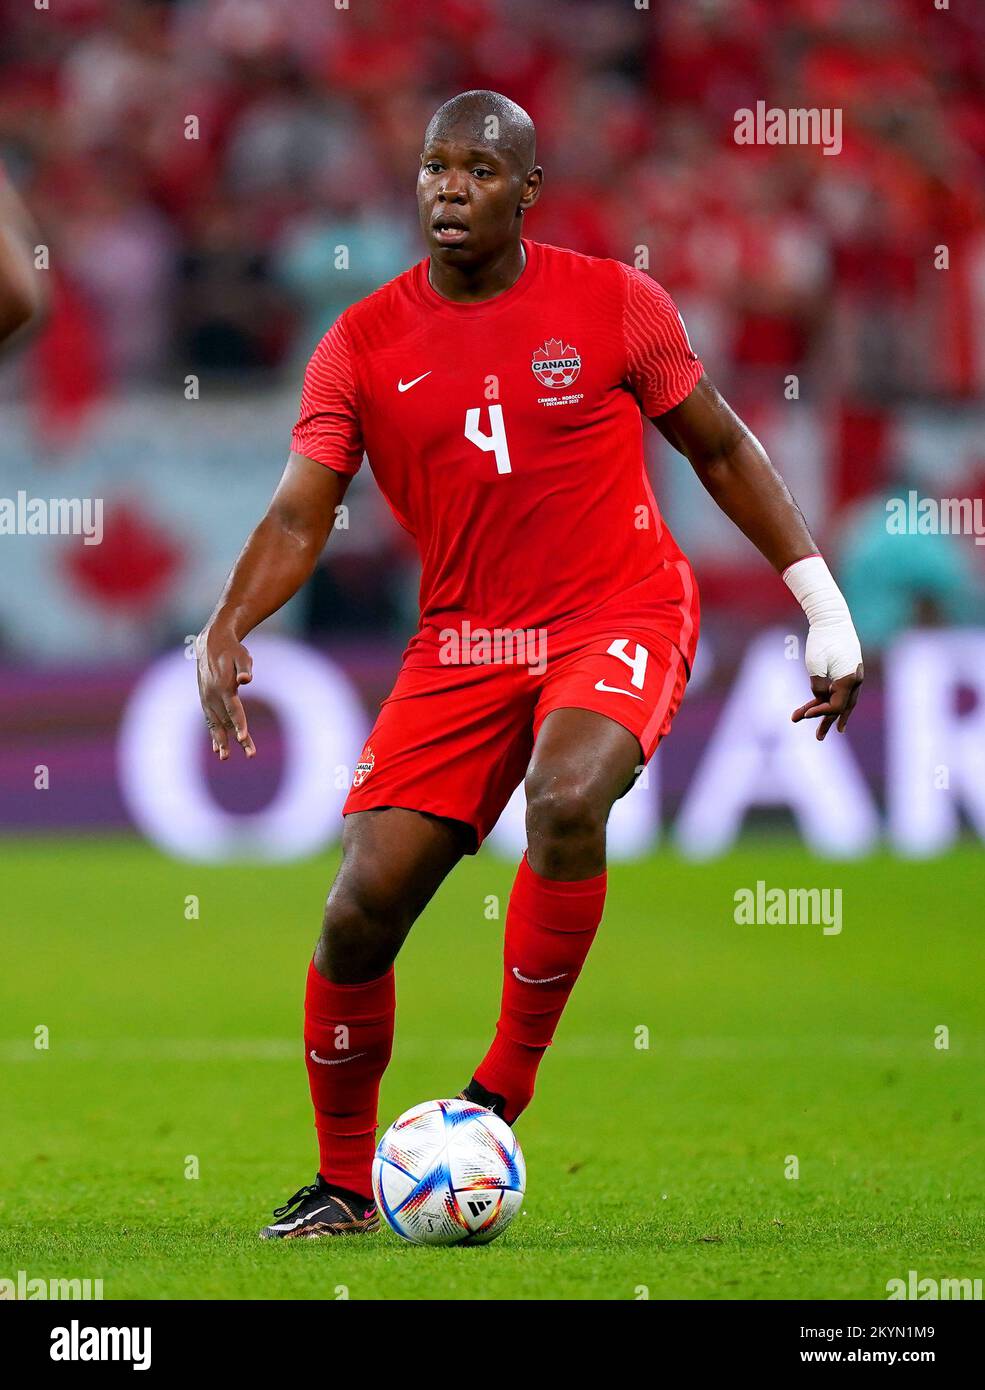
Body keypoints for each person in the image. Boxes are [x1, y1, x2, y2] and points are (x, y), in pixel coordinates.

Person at [196, 91, 863, 1239]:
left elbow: (718, 445)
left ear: (527, 190)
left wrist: (820, 602)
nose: (450, 188)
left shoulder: (613, 303)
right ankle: (346, 1186)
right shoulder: (360, 343)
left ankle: (499, 1091)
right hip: (461, 640)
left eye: (479, 170)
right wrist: (227, 624)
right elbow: (305, 513)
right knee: (359, 910)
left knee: (565, 796)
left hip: (619, 607)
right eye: (433, 167)